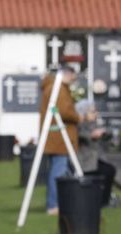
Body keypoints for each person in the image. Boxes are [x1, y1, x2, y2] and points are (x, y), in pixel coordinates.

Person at [39, 66, 81, 215]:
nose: (73, 81)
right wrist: (78, 117)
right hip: (59, 137)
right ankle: (54, 204)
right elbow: (64, 111)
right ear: (67, 74)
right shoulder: (57, 89)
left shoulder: (52, 87)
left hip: (55, 136)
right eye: (73, 77)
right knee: (58, 170)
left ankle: (62, 201)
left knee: (62, 169)